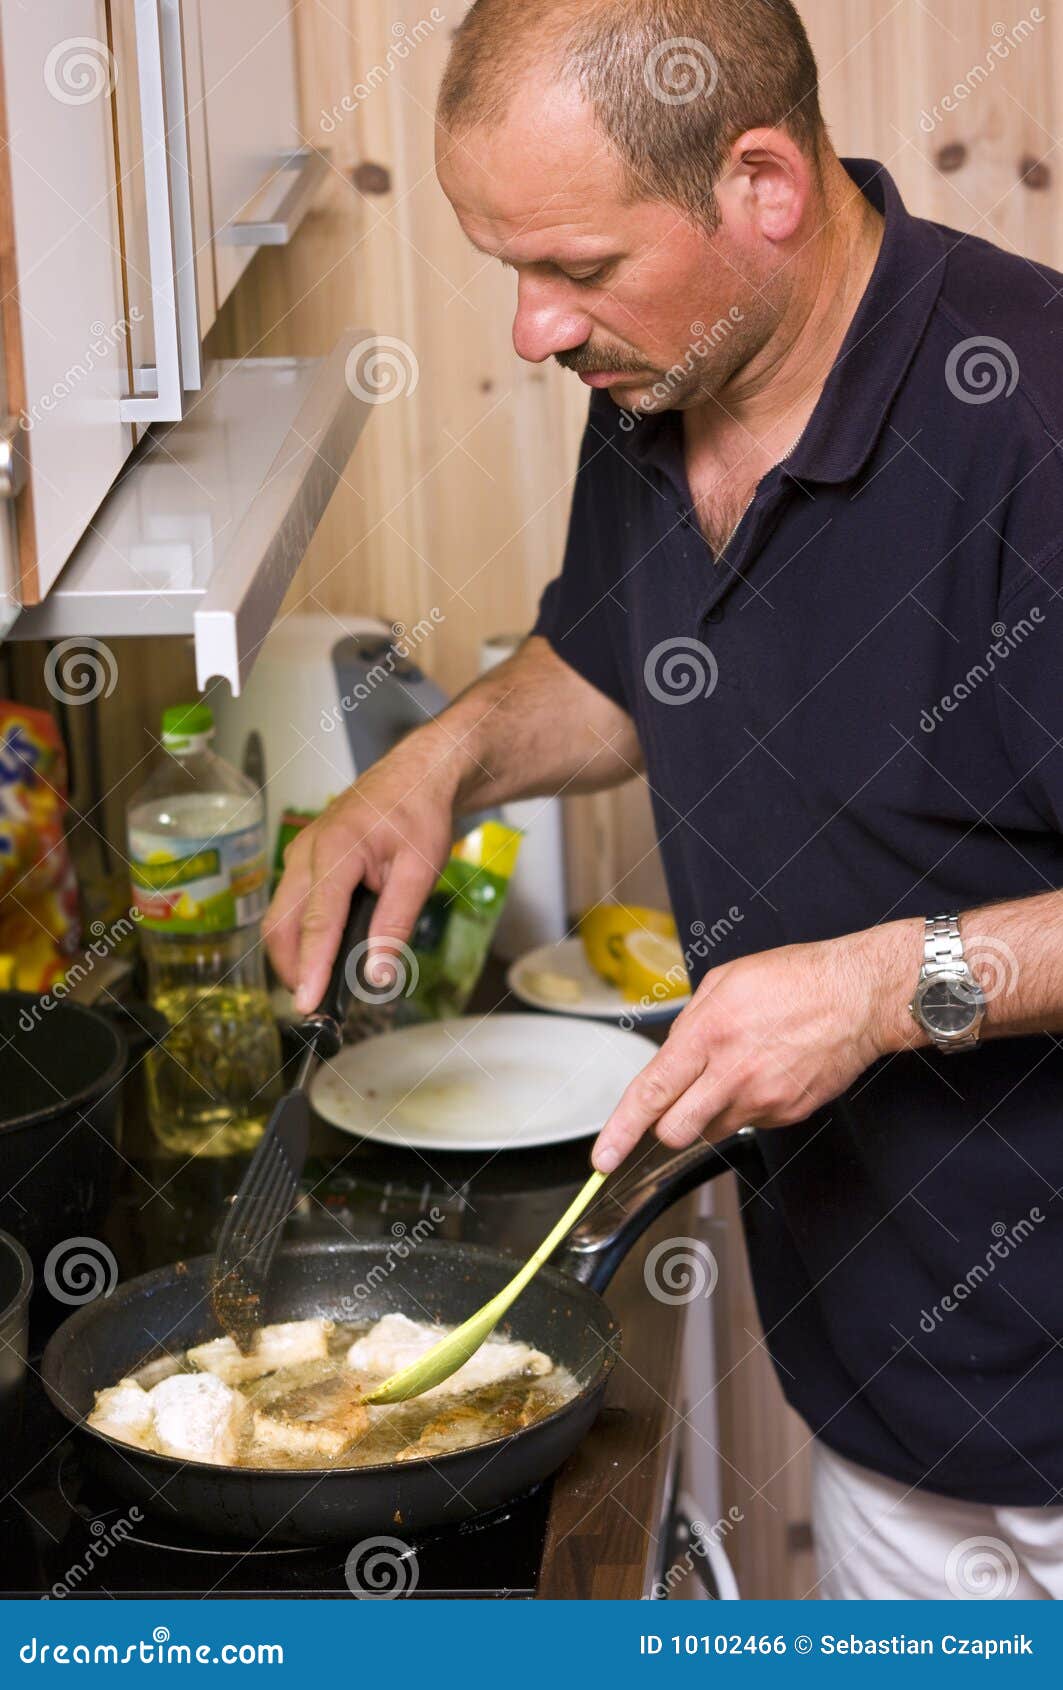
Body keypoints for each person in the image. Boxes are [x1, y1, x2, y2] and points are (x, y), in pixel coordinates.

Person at [266, 0, 1063, 1599]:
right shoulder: (660, 366)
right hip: (884, 1399)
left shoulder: (1032, 419)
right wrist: (437, 764)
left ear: (762, 181)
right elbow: (631, 659)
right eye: (510, 269)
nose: (533, 329)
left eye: (575, 265)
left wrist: (878, 989)